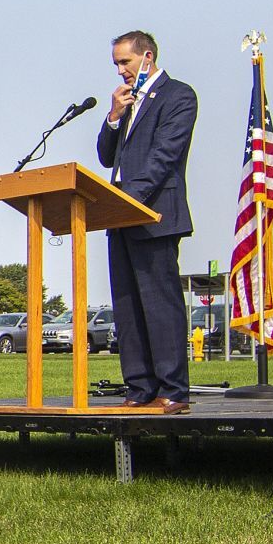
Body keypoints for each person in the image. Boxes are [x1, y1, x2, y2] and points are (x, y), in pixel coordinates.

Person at [96, 30, 198, 414]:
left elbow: (164, 157)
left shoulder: (178, 96)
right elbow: (107, 157)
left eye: (126, 62)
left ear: (148, 56)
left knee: (160, 305)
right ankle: (139, 388)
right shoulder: (127, 103)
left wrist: (126, 200)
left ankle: (173, 389)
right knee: (127, 306)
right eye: (117, 64)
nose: (121, 71)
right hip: (119, 218)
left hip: (154, 216)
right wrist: (113, 116)